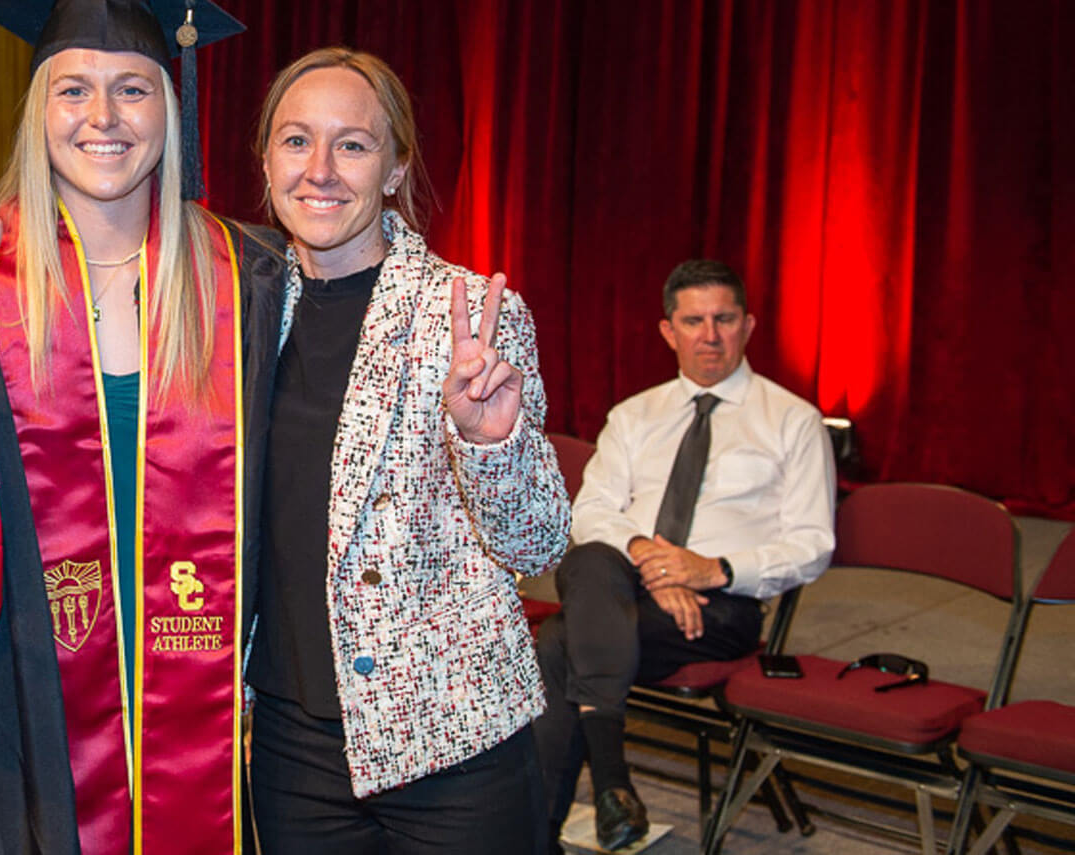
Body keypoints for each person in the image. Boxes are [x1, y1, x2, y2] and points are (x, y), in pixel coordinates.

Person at [0, 0, 285, 854]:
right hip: (28, 698)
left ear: (170, 105)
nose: (102, 115)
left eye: (132, 88)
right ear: (38, 107)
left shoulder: (247, 275)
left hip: (206, 699)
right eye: (72, 87)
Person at [242, 48, 569, 853]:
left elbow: (538, 541)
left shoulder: (464, 318)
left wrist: (488, 443)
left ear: (394, 169)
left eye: (352, 145)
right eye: (296, 141)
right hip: (290, 745)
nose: (320, 169)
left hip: (452, 743)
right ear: (267, 159)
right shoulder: (239, 310)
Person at [532, 259, 836, 851]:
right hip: (626, 587)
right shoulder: (635, 416)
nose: (710, 335)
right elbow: (591, 510)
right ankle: (611, 798)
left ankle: (554, 825)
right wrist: (651, 558)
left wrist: (712, 569)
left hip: (718, 607)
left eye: (724, 319)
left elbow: (812, 544)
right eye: (693, 321)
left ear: (748, 325)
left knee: (560, 641)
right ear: (669, 331)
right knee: (588, 559)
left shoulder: (793, 421)